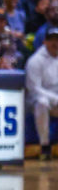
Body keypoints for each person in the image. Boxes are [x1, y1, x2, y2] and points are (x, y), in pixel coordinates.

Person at [25, 27, 58, 160]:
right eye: (52, 40)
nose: (55, 43)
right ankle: (44, 145)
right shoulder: (35, 61)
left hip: (55, 101)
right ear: (45, 42)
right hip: (36, 101)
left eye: (57, 40)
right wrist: (55, 98)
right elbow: (34, 88)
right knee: (42, 103)